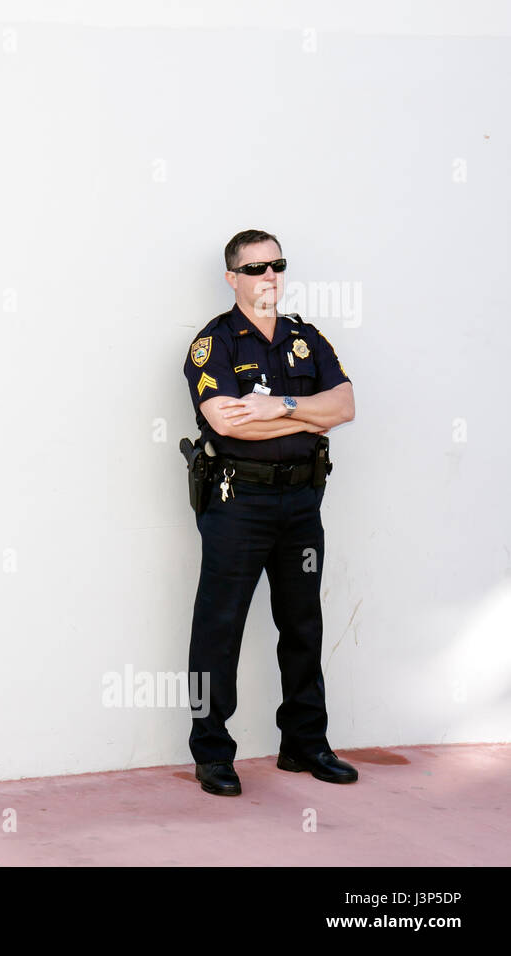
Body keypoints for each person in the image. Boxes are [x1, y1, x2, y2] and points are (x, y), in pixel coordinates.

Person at [182, 229, 358, 797]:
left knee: (302, 624)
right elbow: (227, 422)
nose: (269, 276)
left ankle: (304, 744)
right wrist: (310, 417)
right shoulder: (215, 345)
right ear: (232, 277)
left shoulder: (306, 338)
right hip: (239, 504)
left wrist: (279, 405)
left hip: (302, 503)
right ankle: (212, 752)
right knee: (220, 627)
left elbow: (346, 406)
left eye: (277, 265)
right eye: (256, 268)